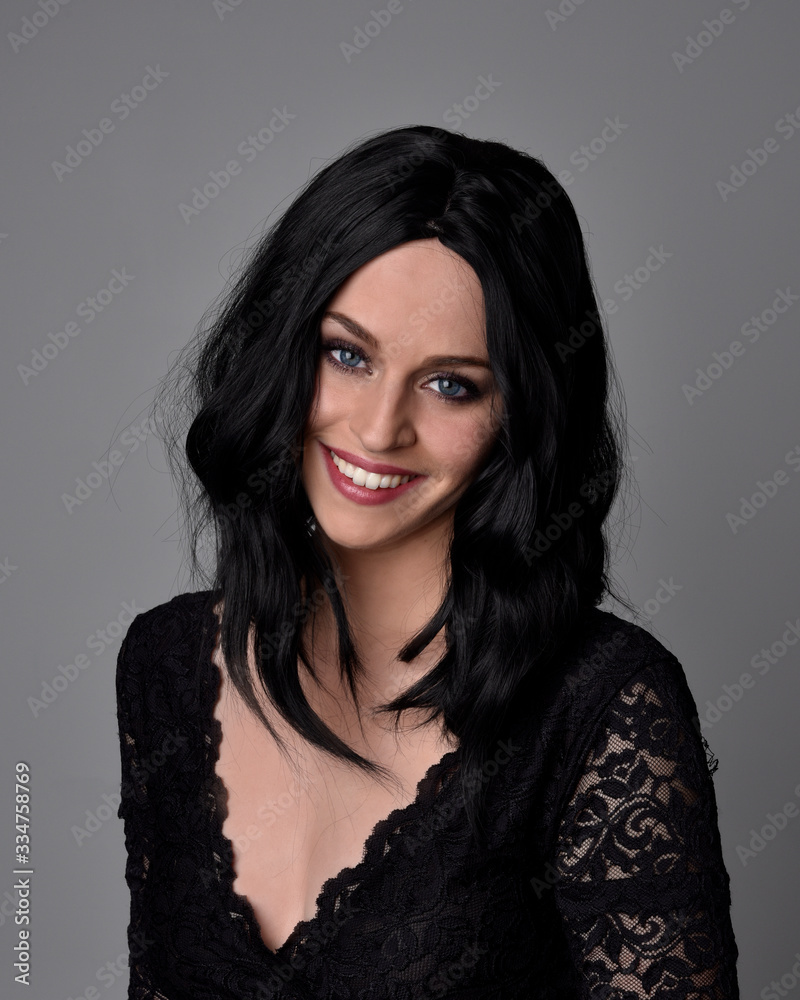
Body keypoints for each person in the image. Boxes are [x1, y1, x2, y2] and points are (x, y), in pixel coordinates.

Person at [115, 124, 741, 998]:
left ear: (519, 417)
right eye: (347, 354)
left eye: (451, 384)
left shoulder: (602, 709)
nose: (378, 430)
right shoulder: (167, 666)